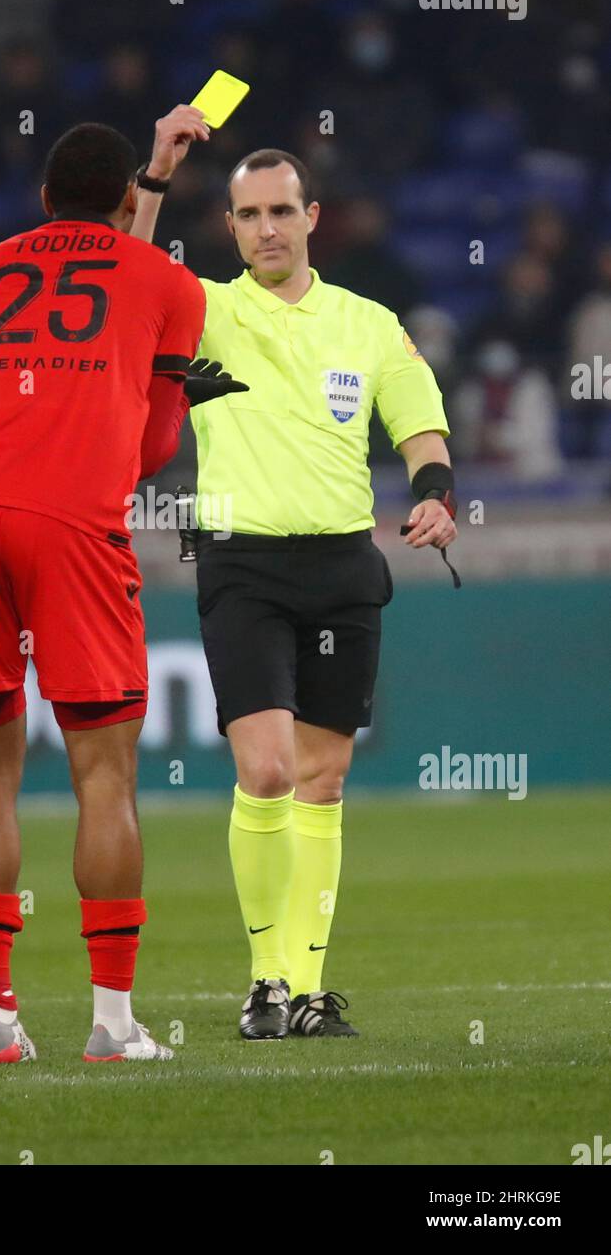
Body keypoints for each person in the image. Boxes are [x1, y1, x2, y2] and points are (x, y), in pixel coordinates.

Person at [132, 112, 458, 1041]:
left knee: (322, 781)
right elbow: (125, 266)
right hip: (242, 561)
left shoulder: (368, 324)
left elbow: (418, 424)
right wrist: (157, 169)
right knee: (266, 768)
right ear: (229, 228)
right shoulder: (205, 311)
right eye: (248, 215)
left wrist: (436, 492)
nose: (267, 228)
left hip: (343, 563)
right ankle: (264, 980)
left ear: (313, 216)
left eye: (282, 210)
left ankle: (299, 989)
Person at [0, 119, 211, 1064]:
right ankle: (112, 1023)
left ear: (45, 200)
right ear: (128, 204)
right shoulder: (169, 284)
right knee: (104, 771)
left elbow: (73, 303)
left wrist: (152, 180)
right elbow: (150, 451)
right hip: (69, 528)